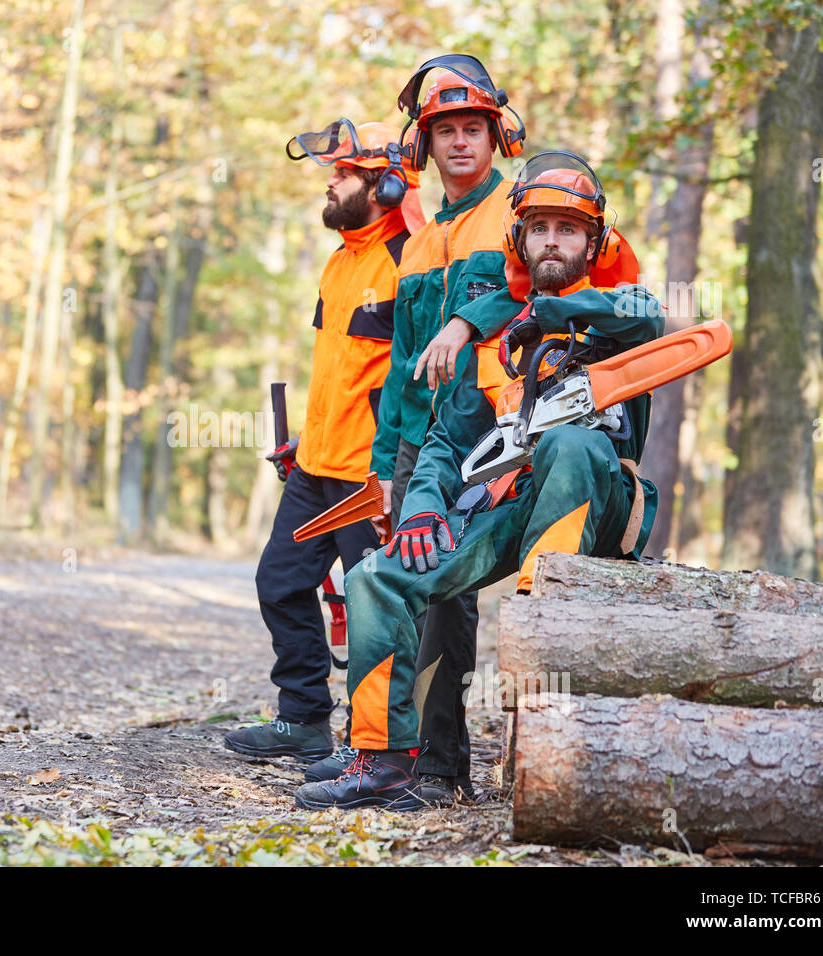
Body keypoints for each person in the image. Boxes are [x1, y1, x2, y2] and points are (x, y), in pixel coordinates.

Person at [294, 151, 664, 810]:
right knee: (375, 577)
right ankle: (386, 757)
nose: (554, 241)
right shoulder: (492, 338)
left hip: (595, 504)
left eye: (569, 230)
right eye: (541, 228)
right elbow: (443, 437)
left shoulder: (619, 307)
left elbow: (648, 319)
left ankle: (543, 602)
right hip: (510, 504)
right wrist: (424, 509)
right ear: (520, 238)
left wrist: (554, 317)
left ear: (592, 240)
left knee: (573, 444)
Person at [325, 55, 527, 798]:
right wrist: (385, 464)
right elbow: (403, 365)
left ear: (495, 135)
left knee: (446, 601)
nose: (461, 144)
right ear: (425, 146)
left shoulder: (515, 214)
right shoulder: (417, 241)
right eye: (446, 132)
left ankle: (440, 765)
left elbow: (542, 285)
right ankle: (383, 752)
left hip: (486, 440)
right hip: (418, 445)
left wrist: (468, 323)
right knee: (392, 590)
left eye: (473, 128)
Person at [222, 119, 424, 764]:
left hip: (371, 477)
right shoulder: (340, 263)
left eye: (341, 174)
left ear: (386, 186)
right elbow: (343, 371)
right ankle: (304, 719)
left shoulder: (408, 262)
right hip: (318, 466)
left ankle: (379, 746)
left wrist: (397, 468)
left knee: (374, 608)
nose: (329, 184)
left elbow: (412, 382)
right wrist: (307, 437)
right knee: (280, 583)